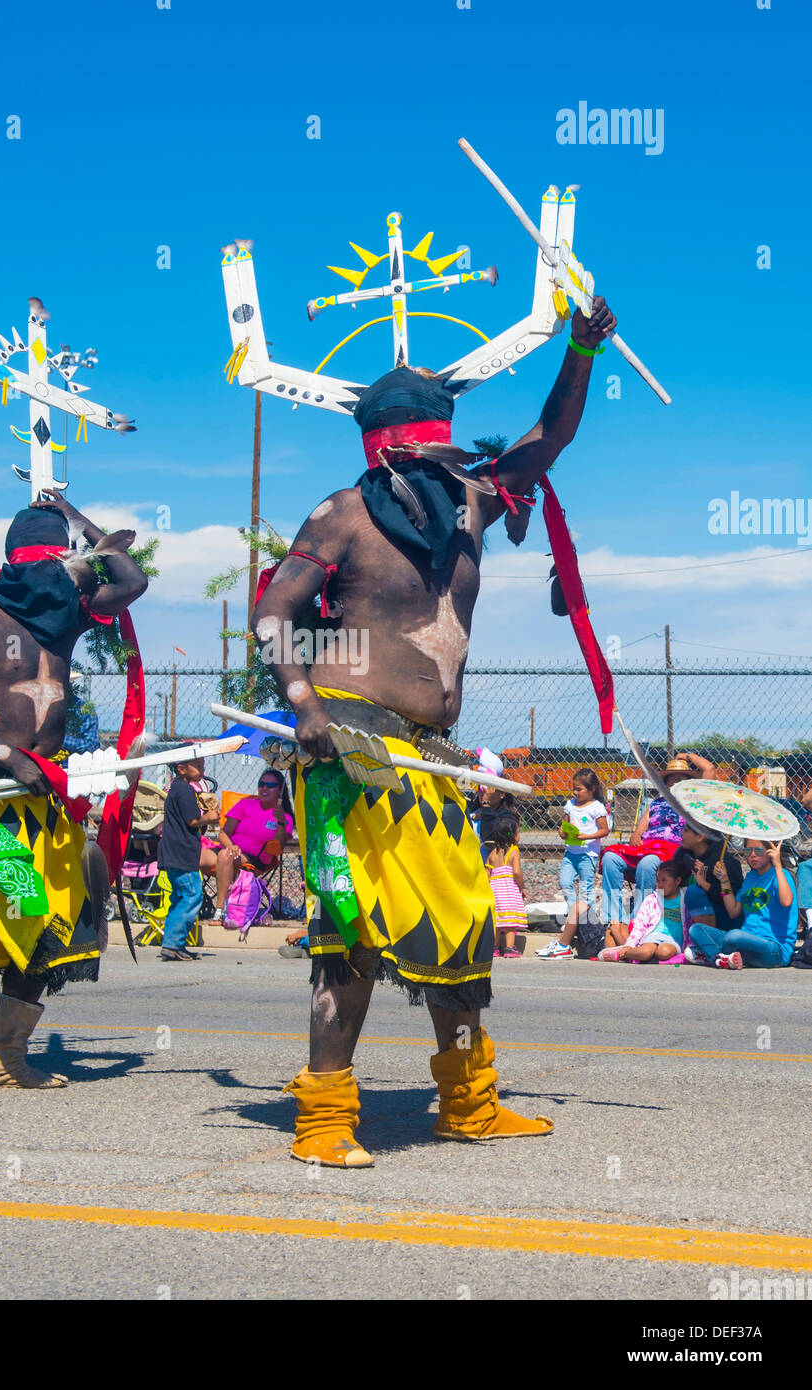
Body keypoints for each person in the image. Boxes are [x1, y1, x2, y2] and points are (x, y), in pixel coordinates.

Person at [253, 293, 618, 1165]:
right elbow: (273, 613)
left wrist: (579, 349)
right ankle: (324, 1121)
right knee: (349, 931)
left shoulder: (469, 505)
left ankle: (468, 1103)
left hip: (427, 759)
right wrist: (302, 706)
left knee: (459, 928)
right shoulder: (342, 512)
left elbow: (548, 438)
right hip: (348, 746)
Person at [0, 493, 148, 1103]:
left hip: (47, 802)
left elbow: (133, 576)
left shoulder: (69, 613)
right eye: (46, 562)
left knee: (45, 926)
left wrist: (77, 521)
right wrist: (9, 755)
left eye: (61, 564)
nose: (54, 576)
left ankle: (3, 1057)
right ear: (16, 566)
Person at [600, 752, 714, 932]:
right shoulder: (656, 803)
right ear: (665, 784)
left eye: (680, 780)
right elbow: (637, 833)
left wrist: (686, 755)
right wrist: (636, 836)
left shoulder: (694, 802)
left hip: (673, 852)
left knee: (648, 864)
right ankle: (612, 918)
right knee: (610, 858)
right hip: (648, 848)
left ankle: (638, 920)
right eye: (671, 780)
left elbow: (709, 769)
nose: (675, 783)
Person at [688, 840, 798, 969]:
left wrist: (778, 865)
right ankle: (722, 960)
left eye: (758, 850)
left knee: (733, 936)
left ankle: (715, 956)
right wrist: (724, 880)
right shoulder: (750, 877)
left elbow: (786, 901)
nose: (752, 855)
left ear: (770, 853)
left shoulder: (781, 875)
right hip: (745, 941)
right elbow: (733, 911)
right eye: (747, 851)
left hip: (775, 949)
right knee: (696, 930)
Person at [206, 769, 294, 922]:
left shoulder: (284, 817)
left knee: (223, 856)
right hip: (230, 849)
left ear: (280, 790)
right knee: (192, 857)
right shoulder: (245, 804)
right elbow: (223, 834)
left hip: (255, 859)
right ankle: (186, 906)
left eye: (271, 785)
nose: (264, 788)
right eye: (262, 784)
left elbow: (277, 847)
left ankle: (220, 911)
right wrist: (231, 846)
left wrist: (280, 822)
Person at [158, 753, 220, 961]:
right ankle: (174, 943)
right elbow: (192, 821)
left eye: (202, 765)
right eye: (197, 766)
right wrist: (209, 817)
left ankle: (172, 944)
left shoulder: (176, 788)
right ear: (181, 768)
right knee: (192, 895)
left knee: (178, 897)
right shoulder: (185, 790)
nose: (202, 770)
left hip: (173, 851)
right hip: (182, 853)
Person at [599, 849, 695, 962]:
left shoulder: (686, 897)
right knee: (645, 952)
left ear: (677, 881)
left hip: (674, 940)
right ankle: (622, 953)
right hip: (653, 935)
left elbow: (693, 920)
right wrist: (630, 944)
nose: (659, 885)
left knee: (664, 952)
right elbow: (640, 924)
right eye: (658, 881)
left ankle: (633, 954)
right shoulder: (651, 899)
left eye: (664, 880)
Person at [558, 767, 609, 919]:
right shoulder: (570, 805)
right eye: (574, 789)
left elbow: (604, 830)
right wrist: (562, 832)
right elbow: (563, 826)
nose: (575, 792)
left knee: (586, 888)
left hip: (587, 854)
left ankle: (589, 920)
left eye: (579, 789)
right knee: (565, 883)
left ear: (592, 789)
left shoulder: (597, 807)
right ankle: (574, 914)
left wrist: (587, 836)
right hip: (571, 852)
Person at [488, 812, 526, 958]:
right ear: (513, 835)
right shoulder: (514, 852)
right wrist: (522, 887)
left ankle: (495, 948)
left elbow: (487, 873)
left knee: (497, 922)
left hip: (495, 891)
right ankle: (509, 948)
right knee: (510, 923)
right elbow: (516, 872)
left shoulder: (492, 853)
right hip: (509, 891)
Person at [470, 785, 516, 866]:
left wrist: (486, 805)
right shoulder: (472, 812)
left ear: (502, 794)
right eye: (480, 789)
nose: (482, 793)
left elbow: (487, 838)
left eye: (488, 789)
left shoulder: (506, 817)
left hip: (490, 868)